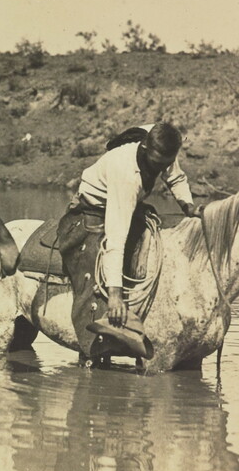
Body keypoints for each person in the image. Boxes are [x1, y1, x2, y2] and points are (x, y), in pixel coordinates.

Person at [58, 122, 199, 361]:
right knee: (97, 266)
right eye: (157, 164)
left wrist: (187, 204)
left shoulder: (164, 143)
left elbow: (175, 177)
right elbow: (116, 236)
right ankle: (95, 341)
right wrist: (115, 294)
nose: (162, 168)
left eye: (166, 163)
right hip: (97, 206)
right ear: (144, 148)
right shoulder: (125, 174)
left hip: (132, 202)